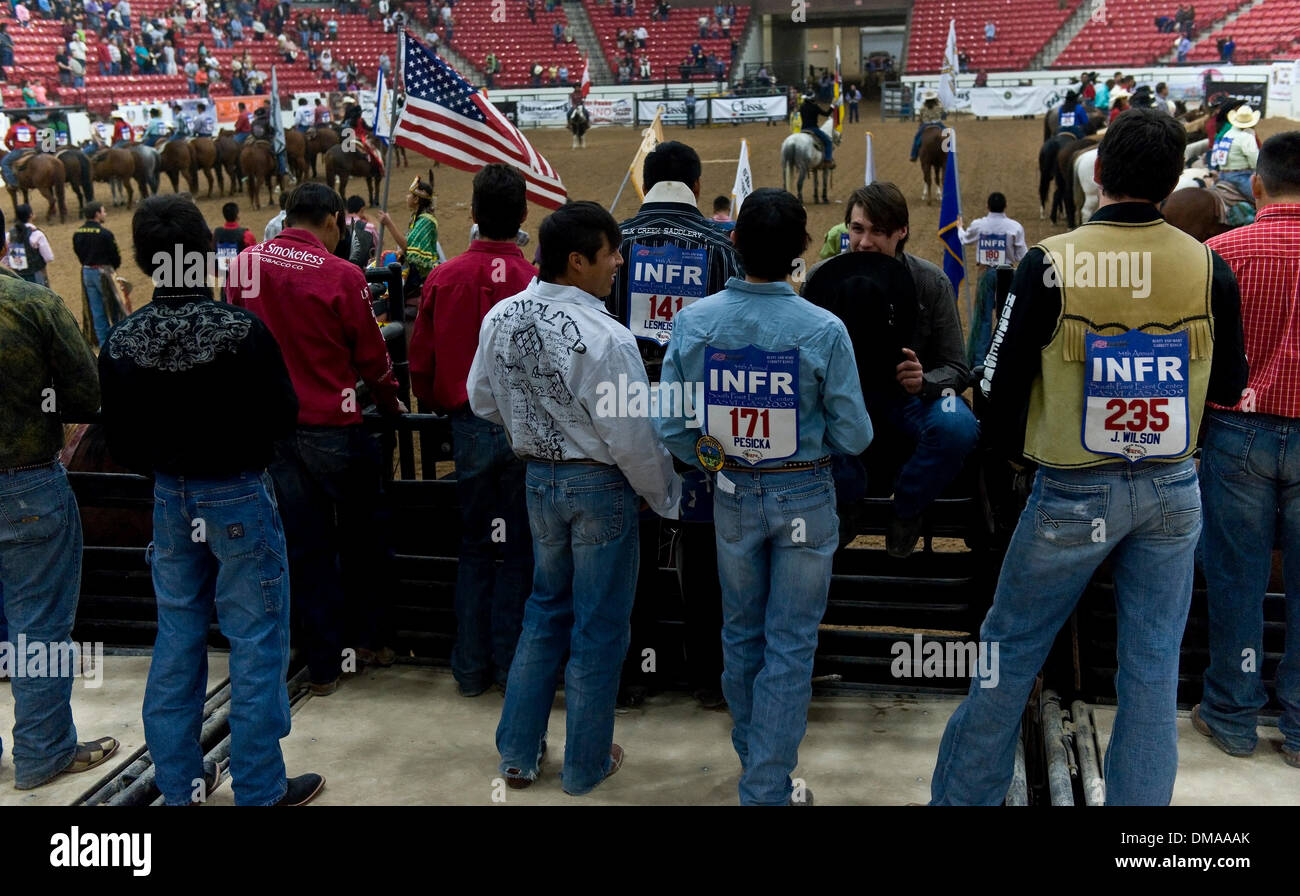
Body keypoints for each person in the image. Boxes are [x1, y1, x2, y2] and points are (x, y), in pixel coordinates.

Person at [930, 109, 1249, 806]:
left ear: (1096, 173)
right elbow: (1228, 385)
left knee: (1007, 654)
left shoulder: (1051, 264)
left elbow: (996, 387)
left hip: (1072, 490)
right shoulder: (1209, 266)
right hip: (1171, 489)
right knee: (1152, 670)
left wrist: (1009, 462)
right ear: (1171, 183)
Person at [96, 193, 322, 806]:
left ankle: (179, 786)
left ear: (144, 259)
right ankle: (259, 788)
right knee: (256, 642)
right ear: (201, 254)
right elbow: (283, 416)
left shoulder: (122, 340)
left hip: (171, 499)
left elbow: (118, 439)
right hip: (239, 495)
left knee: (177, 637)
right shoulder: (242, 332)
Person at [657, 188, 873, 805]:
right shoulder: (824, 329)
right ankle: (766, 785)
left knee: (742, 631)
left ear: (733, 244)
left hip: (731, 491)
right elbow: (855, 432)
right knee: (791, 639)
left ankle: (760, 769)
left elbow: (671, 423)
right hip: (803, 490)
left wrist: (714, 457)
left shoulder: (695, 323)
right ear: (803, 251)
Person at [468, 200, 681, 794]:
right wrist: (666, 497)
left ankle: (517, 754)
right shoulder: (608, 337)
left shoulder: (501, 317)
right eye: (610, 252)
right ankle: (584, 763)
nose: (619, 261)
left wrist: (534, 424)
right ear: (577, 260)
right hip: (599, 485)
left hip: (539, 480)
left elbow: (481, 399)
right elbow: (634, 438)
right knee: (600, 626)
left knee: (545, 610)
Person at [227, 182, 406, 695]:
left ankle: (322, 664)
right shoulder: (343, 274)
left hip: (274, 430)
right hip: (334, 427)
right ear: (331, 220)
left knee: (303, 546)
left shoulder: (244, 267)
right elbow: (373, 356)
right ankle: (369, 640)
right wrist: (391, 402)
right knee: (363, 537)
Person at [605, 141, 743, 708]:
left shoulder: (610, 243)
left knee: (628, 542)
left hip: (625, 407)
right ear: (693, 180)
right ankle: (709, 678)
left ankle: (632, 673)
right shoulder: (720, 246)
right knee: (705, 545)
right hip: (699, 418)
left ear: (647, 178)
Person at [0, 208, 120, 792]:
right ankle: (43, 751)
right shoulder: (33, 304)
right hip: (25, 484)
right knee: (38, 626)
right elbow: (85, 395)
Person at [409, 165, 535, 698]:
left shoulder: (445, 276)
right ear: (523, 216)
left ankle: (469, 668)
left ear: (474, 216)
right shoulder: (537, 281)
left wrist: (443, 403)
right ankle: (510, 665)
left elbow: (421, 361)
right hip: (526, 431)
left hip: (469, 425)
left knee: (477, 546)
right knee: (523, 549)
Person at [1194, 132, 1300, 769]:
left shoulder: (1219, 254)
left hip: (1238, 431)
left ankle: (1232, 714)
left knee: (1237, 580)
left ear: (1256, 187)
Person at [808, 183, 979, 556]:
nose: (865, 241)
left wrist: (926, 380)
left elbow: (957, 368)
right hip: (842, 400)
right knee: (796, 418)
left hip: (909, 402)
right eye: (857, 229)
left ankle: (907, 507)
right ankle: (849, 498)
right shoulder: (820, 279)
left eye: (879, 231)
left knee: (959, 425)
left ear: (902, 231)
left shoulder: (930, 281)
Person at [376, 174, 439, 320]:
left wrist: (388, 223)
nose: (406, 197)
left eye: (409, 195)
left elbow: (408, 247)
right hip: (413, 270)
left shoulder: (426, 221)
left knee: (388, 298)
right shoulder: (417, 218)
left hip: (420, 274)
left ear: (416, 199)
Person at [72, 202, 122, 347]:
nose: (105, 214)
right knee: (115, 307)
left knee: (97, 310)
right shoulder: (105, 234)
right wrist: (113, 269)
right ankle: (119, 340)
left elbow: (79, 254)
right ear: (97, 214)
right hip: (104, 272)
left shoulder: (78, 233)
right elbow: (115, 256)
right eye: (103, 211)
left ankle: (103, 344)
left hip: (87, 271)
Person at [1211, 104, 1261, 201]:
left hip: (1222, 175)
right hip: (1240, 177)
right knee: (1260, 198)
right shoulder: (1246, 137)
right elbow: (1255, 160)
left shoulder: (1228, 134)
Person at [6, 203, 53, 285]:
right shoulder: (37, 234)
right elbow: (49, 257)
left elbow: (4, 255)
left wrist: (12, 264)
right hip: (36, 274)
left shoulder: (9, 234)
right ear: (31, 215)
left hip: (17, 275)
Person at [800, 87, 835, 167]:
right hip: (813, 129)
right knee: (828, 141)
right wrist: (832, 105)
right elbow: (826, 114)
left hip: (803, 129)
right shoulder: (815, 107)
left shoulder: (802, 107)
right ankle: (828, 160)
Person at [2, 112, 36, 189]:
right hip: (32, 150)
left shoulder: (13, 128)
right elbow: (36, 140)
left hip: (19, 150)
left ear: (17, 120)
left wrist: (11, 149)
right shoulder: (32, 128)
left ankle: (13, 183)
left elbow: (6, 141)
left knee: (4, 163)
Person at [909, 89, 944, 163]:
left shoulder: (923, 107)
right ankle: (951, 153)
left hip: (926, 124)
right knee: (948, 135)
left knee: (917, 138)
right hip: (938, 123)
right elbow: (942, 112)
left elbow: (921, 117)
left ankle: (914, 155)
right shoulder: (939, 106)